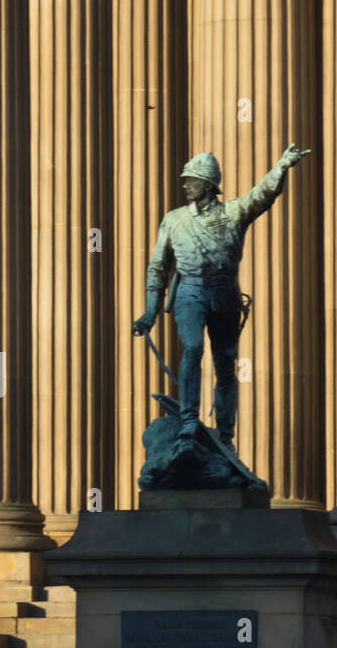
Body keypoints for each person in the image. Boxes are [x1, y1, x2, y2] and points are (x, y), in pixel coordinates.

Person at [132, 144, 310, 444]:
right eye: (185, 179)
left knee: (225, 363)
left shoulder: (234, 213)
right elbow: (157, 269)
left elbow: (262, 195)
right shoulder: (174, 220)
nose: (185, 184)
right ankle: (189, 419)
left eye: (191, 179)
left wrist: (281, 167)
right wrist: (150, 312)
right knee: (191, 350)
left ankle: (226, 432)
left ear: (208, 184)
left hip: (224, 294)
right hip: (189, 293)